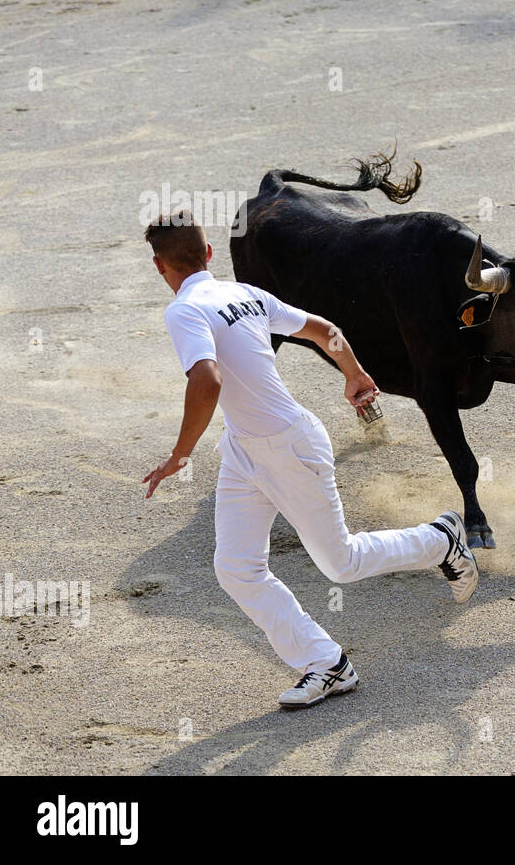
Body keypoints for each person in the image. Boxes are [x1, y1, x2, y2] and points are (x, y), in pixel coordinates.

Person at [141, 211, 477, 709]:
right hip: (245, 450)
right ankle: (326, 664)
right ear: (209, 253)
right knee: (236, 567)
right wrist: (355, 375)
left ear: (158, 265)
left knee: (340, 563)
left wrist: (179, 455)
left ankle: (439, 540)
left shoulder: (183, 310)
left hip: (287, 446)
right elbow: (325, 330)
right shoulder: (245, 294)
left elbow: (207, 381)